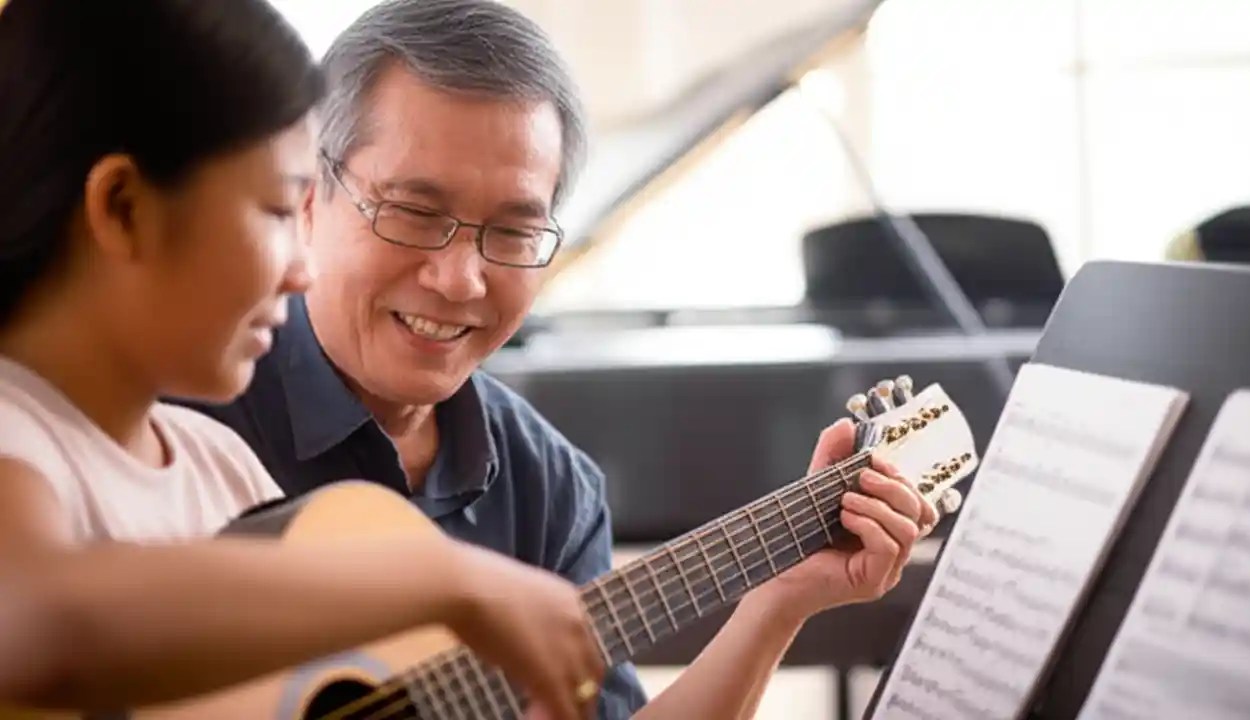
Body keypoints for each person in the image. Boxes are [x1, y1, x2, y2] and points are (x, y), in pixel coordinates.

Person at [182, 1, 939, 717]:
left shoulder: (549, 486)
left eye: (511, 233)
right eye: (415, 213)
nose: (460, 280)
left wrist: (782, 599)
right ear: (309, 195)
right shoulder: (180, 411)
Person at [0, 2, 606, 718]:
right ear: (126, 208)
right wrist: (443, 576)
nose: (299, 269)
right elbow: (35, 624)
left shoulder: (216, 465)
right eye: (280, 210)